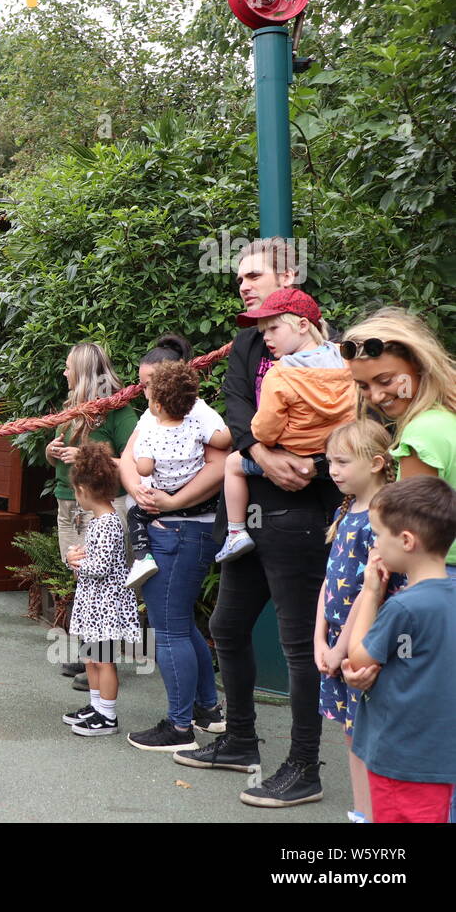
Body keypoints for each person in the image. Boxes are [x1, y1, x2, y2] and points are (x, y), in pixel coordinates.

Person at [174, 238, 342, 810]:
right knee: (228, 624)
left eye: (253, 275)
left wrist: (312, 466)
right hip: (249, 507)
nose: (243, 284)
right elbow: (238, 408)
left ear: (289, 275)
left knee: (299, 644)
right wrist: (263, 454)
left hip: (303, 509)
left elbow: (354, 422)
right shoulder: (248, 342)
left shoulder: (331, 349)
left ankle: (304, 767)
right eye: (239, 277)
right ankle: (241, 741)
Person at [120, 340, 230, 751]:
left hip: (180, 530)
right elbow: (129, 459)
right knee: (181, 624)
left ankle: (179, 726)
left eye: (149, 383)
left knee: (167, 631)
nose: (143, 391)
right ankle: (206, 710)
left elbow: (222, 457)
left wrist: (166, 501)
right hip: (171, 526)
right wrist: (140, 491)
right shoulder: (157, 416)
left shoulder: (192, 418)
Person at [347, 477, 456, 823]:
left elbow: (360, 657)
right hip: (439, 757)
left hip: (402, 757)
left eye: (379, 535)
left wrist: (369, 594)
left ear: (407, 541)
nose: (375, 544)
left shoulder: (404, 607)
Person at [216, 289, 354, 562]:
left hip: (289, 456)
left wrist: (264, 442)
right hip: (333, 458)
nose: (265, 337)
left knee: (232, 464)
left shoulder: (280, 373)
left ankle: (235, 533)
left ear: (303, 325)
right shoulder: (344, 361)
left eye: (273, 329)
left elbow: (265, 429)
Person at [314, 419, 398, 823]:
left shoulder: (382, 521)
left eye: (343, 461)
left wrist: (338, 648)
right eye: (330, 461)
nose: (333, 469)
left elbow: (371, 593)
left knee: (367, 734)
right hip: (335, 645)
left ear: (377, 463)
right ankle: (361, 811)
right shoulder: (344, 510)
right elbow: (328, 582)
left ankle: (373, 814)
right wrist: (319, 641)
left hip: (361, 645)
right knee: (351, 732)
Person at [44, 343, 137, 684]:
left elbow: (135, 464)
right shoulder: (72, 409)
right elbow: (56, 457)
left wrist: (83, 456)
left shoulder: (120, 413)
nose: (64, 373)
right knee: (82, 579)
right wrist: (51, 451)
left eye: (69, 368)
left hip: (104, 509)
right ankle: (90, 659)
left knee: (105, 586)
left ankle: (104, 664)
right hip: (68, 503)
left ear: (83, 373)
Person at [341, 308, 456, 573]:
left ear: (417, 364)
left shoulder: (421, 434)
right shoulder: (445, 417)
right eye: (364, 386)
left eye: (385, 380)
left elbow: (412, 535)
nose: (377, 396)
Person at [125, 360, 232, 590]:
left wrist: (143, 460)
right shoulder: (196, 425)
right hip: (199, 502)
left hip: (162, 500)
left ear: (159, 406)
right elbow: (223, 440)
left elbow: (143, 469)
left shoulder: (150, 432)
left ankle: (143, 558)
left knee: (135, 515)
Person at [61, 443, 139, 737]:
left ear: (82, 490)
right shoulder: (98, 522)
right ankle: (96, 707)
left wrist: (75, 562)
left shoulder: (107, 523)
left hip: (106, 605)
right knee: (90, 657)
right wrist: (79, 557)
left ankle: (107, 715)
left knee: (103, 660)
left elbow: (101, 567)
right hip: (94, 603)